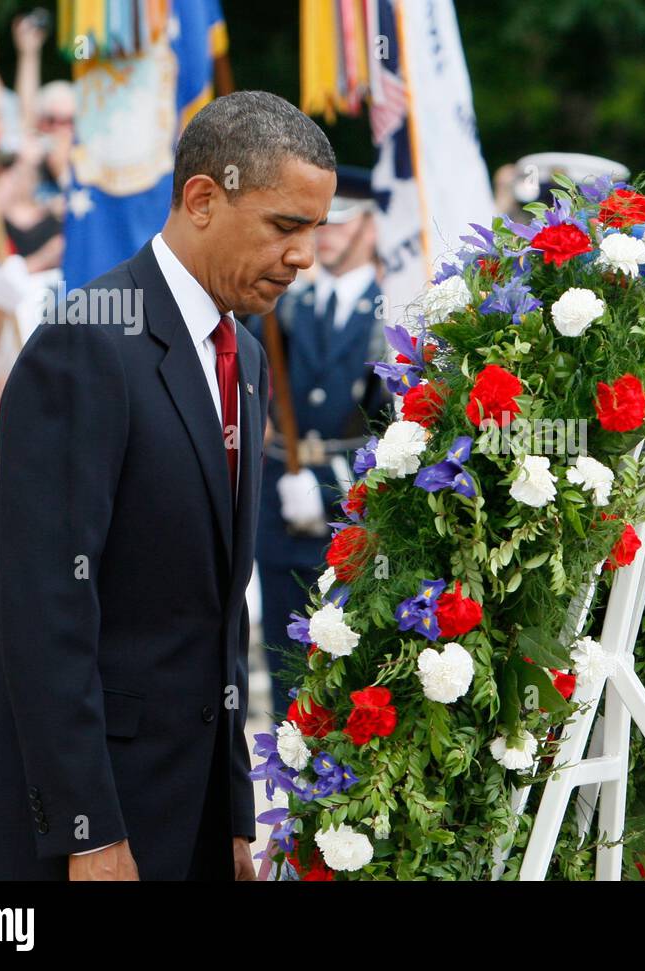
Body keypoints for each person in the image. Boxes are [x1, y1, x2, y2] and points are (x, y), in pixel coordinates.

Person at [0, 91, 338, 880]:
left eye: (315, 229)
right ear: (203, 199)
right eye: (286, 226)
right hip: (82, 826)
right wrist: (87, 830)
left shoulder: (241, 358)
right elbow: (44, 609)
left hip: (183, 813)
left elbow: (214, 623)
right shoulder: (86, 343)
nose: (303, 255)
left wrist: (233, 817)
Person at [247, 166, 388, 717]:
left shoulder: (387, 312)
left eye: (339, 223)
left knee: (348, 659)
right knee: (286, 658)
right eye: (318, 223)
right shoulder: (286, 303)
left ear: (371, 229)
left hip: (351, 501)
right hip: (280, 492)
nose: (324, 233)